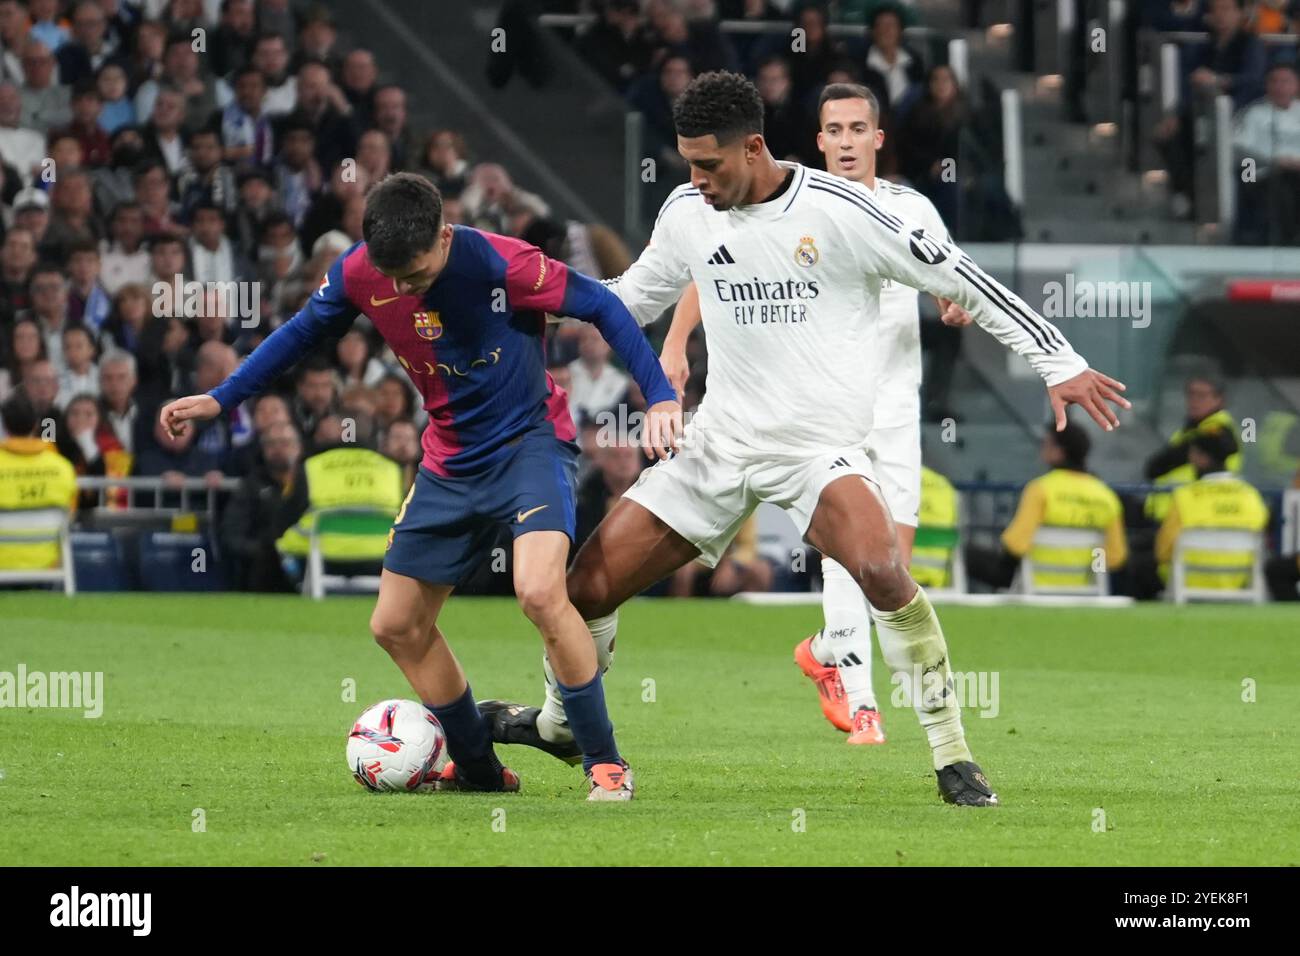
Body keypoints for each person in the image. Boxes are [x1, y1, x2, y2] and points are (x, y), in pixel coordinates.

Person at [483, 70, 1130, 807]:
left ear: (754, 147)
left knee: (884, 567)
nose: (696, 180)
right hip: (719, 443)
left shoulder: (846, 212)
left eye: (710, 165)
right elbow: (630, 297)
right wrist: (531, 305)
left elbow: (964, 278)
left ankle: (953, 754)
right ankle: (564, 726)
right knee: (586, 588)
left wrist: (1060, 362)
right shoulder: (689, 211)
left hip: (816, 447)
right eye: (688, 164)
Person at [157, 172, 681, 800]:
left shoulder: (500, 262)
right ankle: (481, 770)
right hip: (449, 459)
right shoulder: (360, 271)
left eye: (416, 275)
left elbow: (600, 304)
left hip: (528, 445)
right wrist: (223, 397)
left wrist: (659, 396)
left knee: (540, 591)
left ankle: (606, 763)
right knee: (396, 624)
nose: (403, 289)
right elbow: (302, 331)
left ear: (444, 234)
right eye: (393, 278)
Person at [664, 82, 974, 747]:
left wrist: (955, 304)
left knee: (889, 567)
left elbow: (952, 278)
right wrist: (675, 341)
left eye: (858, 129)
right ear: (820, 141)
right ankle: (863, 705)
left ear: (877, 140)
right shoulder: (790, 205)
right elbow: (708, 266)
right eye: (834, 129)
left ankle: (826, 650)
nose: (846, 141)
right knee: (844, 542)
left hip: (895, 406)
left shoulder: (910, 208)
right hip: (825, 409)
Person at [965, 422, 1127, 591]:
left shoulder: (1040, 489)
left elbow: (1016, 544)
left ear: (1059, 451)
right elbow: (1117, 557)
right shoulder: (1107, 497)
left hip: (1035, 581)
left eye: (1047, 443)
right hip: (1082, 584)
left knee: (966, 554)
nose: (1043, 448)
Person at [0, 393, 77, 572]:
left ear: (4, 425)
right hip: (47, 566)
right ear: (36, 424)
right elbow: (70, 516)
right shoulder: (62, 468)